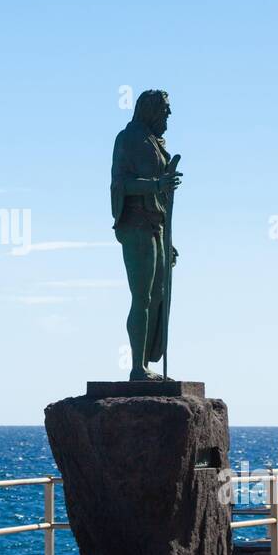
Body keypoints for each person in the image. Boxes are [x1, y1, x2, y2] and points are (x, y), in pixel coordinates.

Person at [111, 90, 182, 381]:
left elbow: (162, 195)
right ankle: (137, 368)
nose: (168, 116)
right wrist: (156, 184)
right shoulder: (128, 139)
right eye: (165, 110)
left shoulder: (155, 143)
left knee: (158, 296)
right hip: (137, 225)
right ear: (151, 110)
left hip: (158, 226)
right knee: (141, 296)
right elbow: (120, 184)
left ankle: (146, 364)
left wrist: (170, 240)